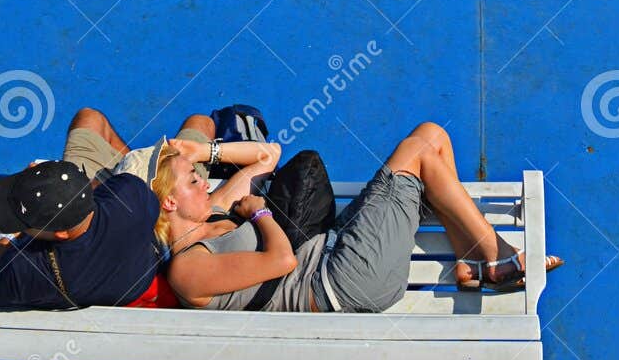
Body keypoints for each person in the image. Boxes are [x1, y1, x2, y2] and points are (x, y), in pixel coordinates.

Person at [154, 120, 562, 312]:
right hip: (338, 284)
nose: (203, 182)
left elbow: (268, 155)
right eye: (192, 179)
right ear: (169, 204)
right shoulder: (188, 268)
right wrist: (259, 213)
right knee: (418, 152)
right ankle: (496, 256)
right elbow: (282, 261)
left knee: (432, 135)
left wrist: (203, 152)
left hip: (334, 249)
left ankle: (468, 262)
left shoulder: (216, 209)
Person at [0, 105, 278, 312]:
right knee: (197, 123)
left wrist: (7, 239)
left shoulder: (29, 272)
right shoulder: (132, 197)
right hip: (135, 209)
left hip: (129, 220)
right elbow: (122, 187)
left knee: (91, 121)